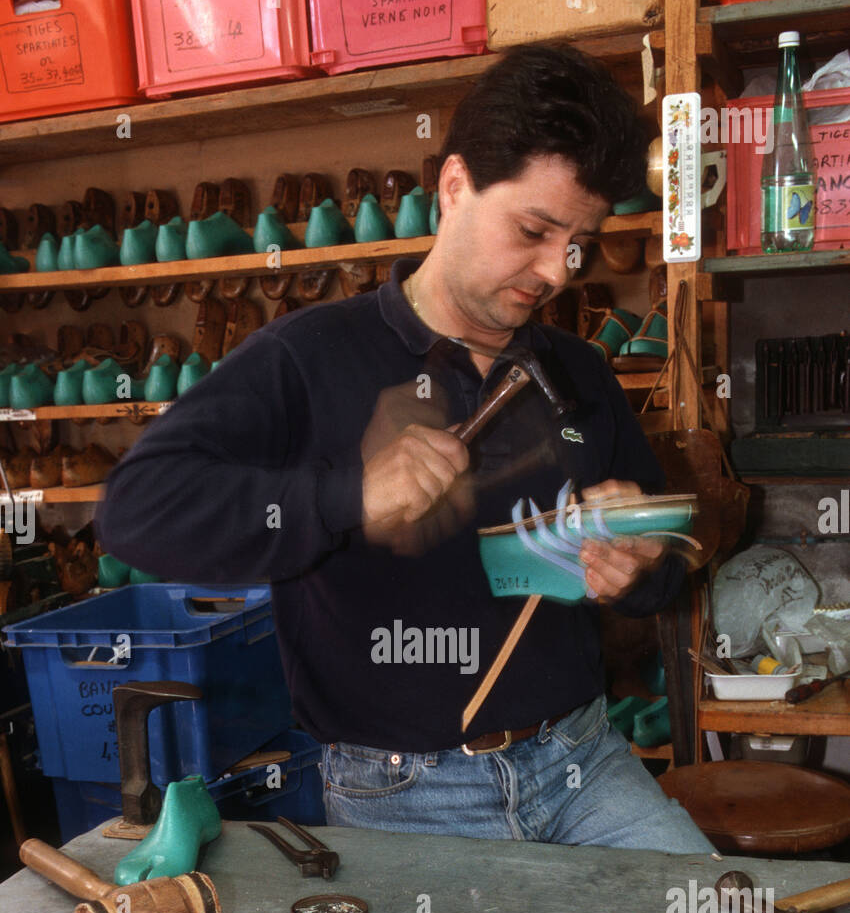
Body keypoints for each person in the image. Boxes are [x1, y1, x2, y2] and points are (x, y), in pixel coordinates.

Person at [98, 43, 712, 853]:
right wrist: (346, 497)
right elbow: (135, 513)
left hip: (582, 761)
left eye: (579, 241)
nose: (556, 270)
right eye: (532, 229)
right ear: (454, 186)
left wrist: (640, 564)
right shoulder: (309, 357)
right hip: (406, 792)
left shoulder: (580, 371)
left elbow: (669, 564)